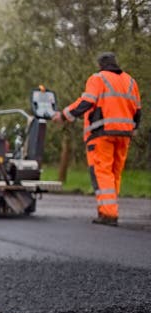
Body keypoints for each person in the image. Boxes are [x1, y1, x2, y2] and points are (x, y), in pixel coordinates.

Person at [52, 52, 142, 226]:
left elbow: (86, 102)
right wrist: (135, 128)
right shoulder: (130, 81)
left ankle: (108, 214)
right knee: (114, 174)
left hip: (102, 133)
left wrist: (64, 115)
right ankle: (107, 211)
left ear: (100, 65)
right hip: (125, 134)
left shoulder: (97, 78)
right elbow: (138, 110)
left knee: (102, 172)